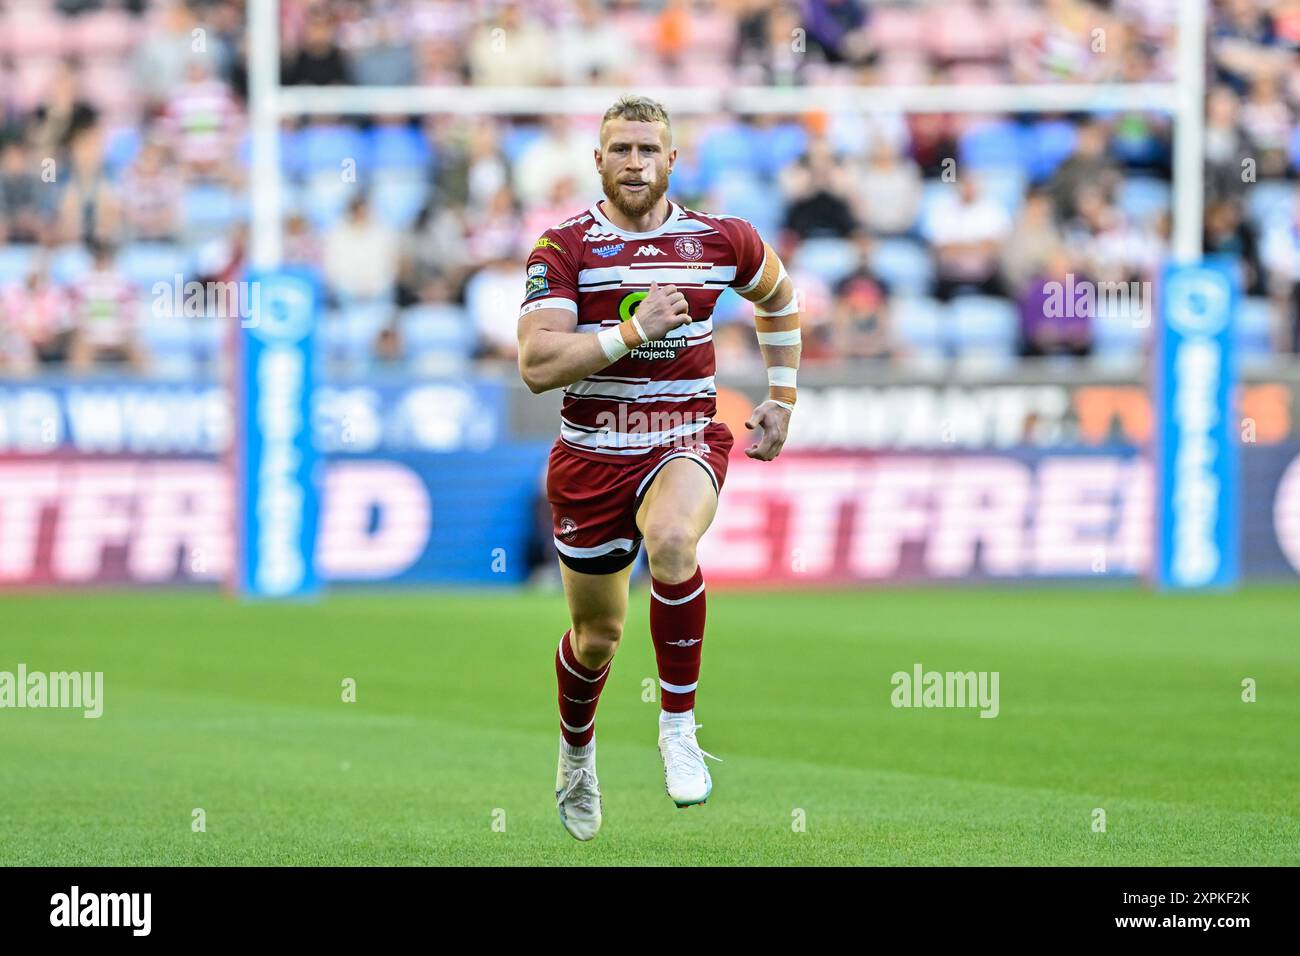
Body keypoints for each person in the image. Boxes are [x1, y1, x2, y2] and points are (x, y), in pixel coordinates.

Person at [516, 95, 802, 841]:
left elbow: (778, 298)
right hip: (590, 456)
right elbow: (538, 365)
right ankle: (577, 752)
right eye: (621, 150)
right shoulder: (563, 249)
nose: (635, 162)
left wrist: (782, 396)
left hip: (681, 438)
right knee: (597, 639)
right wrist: (631, 332)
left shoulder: (721, 239)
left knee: (674, 539)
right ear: (599, 160)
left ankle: (678, 728)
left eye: (648, 150)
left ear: (673, 160)